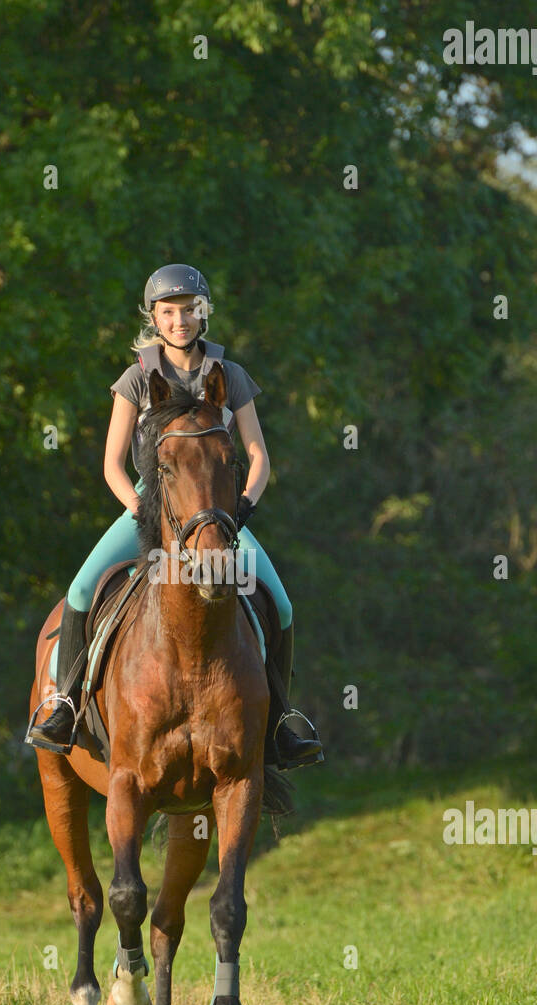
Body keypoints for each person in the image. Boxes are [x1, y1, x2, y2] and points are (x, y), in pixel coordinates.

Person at [28, 263, 323, 770]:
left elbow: (258, 455)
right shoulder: (136, 379)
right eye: (169, 312)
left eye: (188, 310)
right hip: (150, 504)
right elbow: (111, 464)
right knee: (80, 591)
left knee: (282, 602)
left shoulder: (230, 377)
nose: (179, 321)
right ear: (155, 318)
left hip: (219, 512)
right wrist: (139, 509)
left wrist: (244, 505)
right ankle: (66, 705)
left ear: (203, 313)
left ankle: (280, 721)